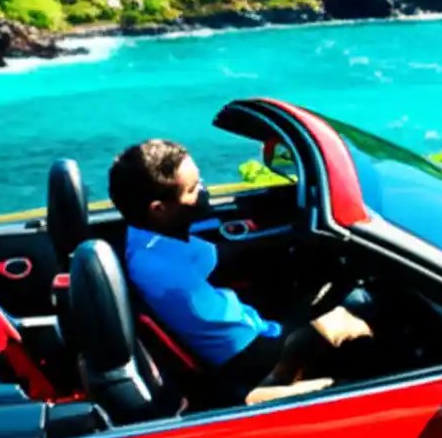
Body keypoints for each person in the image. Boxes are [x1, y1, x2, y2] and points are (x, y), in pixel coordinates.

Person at [107, 138, 372, 404]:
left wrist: (296, 236)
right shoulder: (172, 279)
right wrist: (309, 323)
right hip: (250, 358)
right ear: (159, 209)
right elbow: (248, 349)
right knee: (355, 310)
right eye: (192, 189)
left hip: (246, 331)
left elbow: (222, 256)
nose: (203, 190)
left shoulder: (151, 240)